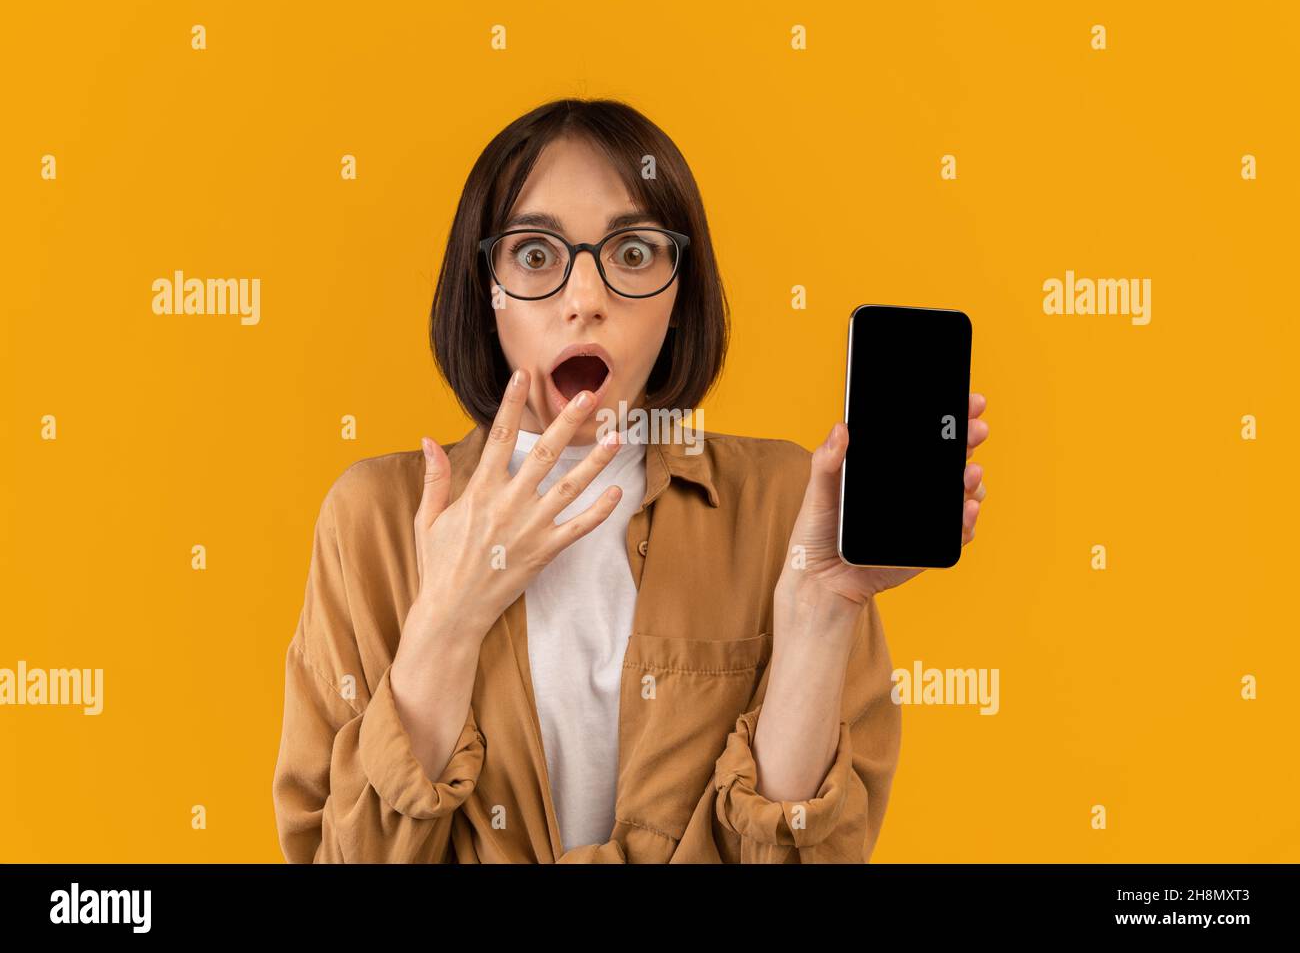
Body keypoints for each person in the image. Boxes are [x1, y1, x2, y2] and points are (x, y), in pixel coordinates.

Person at [272, 97, 990, 863]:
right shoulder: (372, 520)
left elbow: (804, 853)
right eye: (536, 255)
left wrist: (819, 607)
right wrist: (447, 617)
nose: (586, 300)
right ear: (486, 296)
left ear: (681, 298)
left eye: (635, 254)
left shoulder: (786, 502)